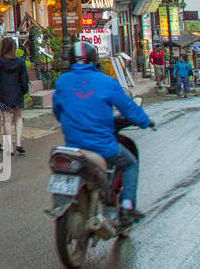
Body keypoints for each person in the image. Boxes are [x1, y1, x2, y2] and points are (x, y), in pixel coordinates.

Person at [53, 40, 154, 220]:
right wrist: (145, 122)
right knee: (130, 164)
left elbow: (58, 111)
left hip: (72, 146)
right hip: (102, 146)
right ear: (94, 60)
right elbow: (129, 109)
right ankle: (127, 206)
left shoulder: (62, 82)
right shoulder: (107, 82)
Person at [0, 36, 30, 154]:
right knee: (18, 117)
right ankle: (19, 143)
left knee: (7, 120)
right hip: (17, 93)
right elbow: (25, 79)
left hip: (3, 94)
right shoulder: (20, 62)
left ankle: (10, 147)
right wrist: (23, 91)